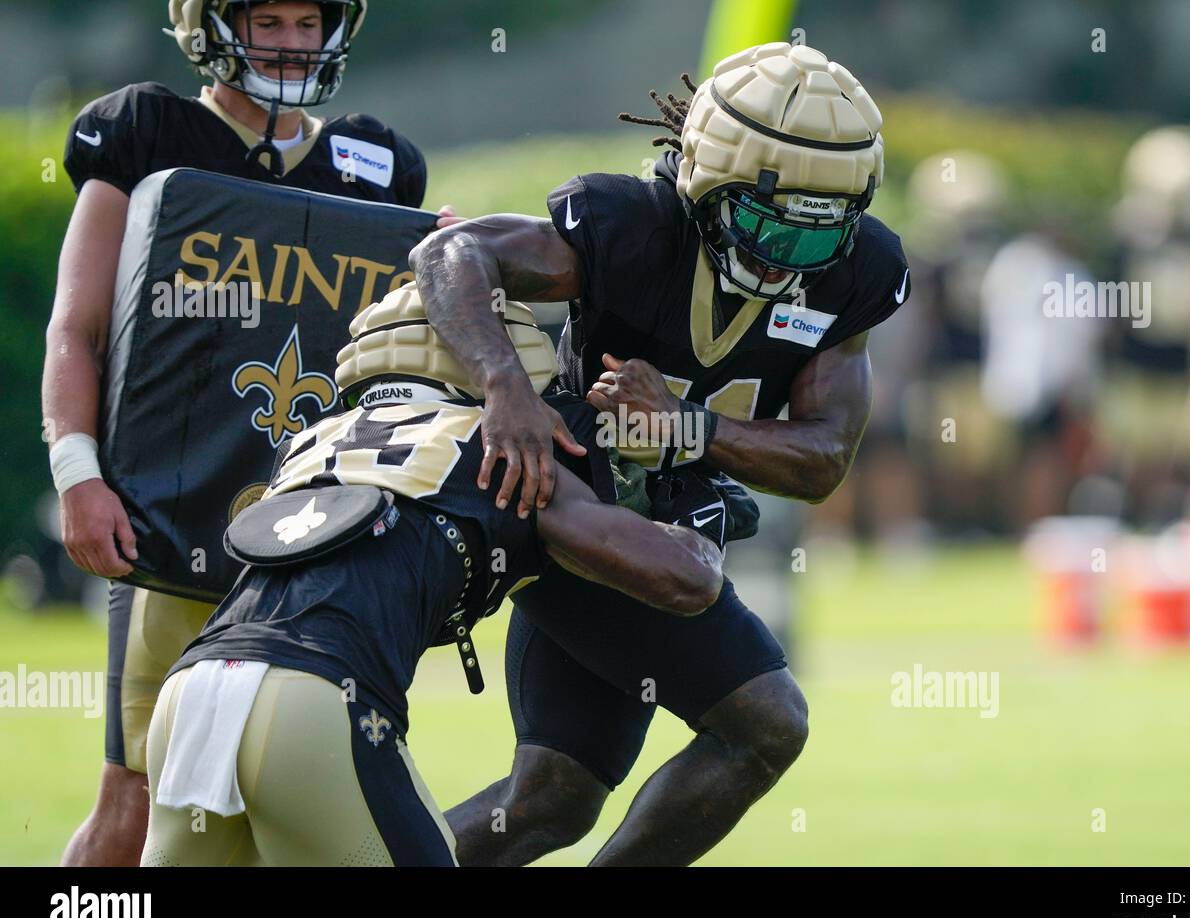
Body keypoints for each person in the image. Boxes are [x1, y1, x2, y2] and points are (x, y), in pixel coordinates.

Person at [409, 42, 910, 865]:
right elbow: (447, 253)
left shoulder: (858, 276)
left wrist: (687, 425)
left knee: (549, 803)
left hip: (664, 518)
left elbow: (822, 461)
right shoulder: (634, 228)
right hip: (582, 511)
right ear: (707, 186)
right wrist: (508, 388)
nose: (783, 255)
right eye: (762, 219)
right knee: (768, 724)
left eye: (813, 237)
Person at [140, 286, 735, 866]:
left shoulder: (309, 443)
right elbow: (686, 581)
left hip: (192, 694)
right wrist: (698, 512)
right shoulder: (499, 447)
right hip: (315, 700)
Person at [42, 0, 440, 866]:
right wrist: (78, 473)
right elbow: (77, 328)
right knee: (136, 799)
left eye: (308, 22)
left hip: (314, 533)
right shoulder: (146, 129)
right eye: (268, 19)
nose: (290, 42)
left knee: (279, 782)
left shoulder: (378, 162)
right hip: (171, 517)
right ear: (208, 21)